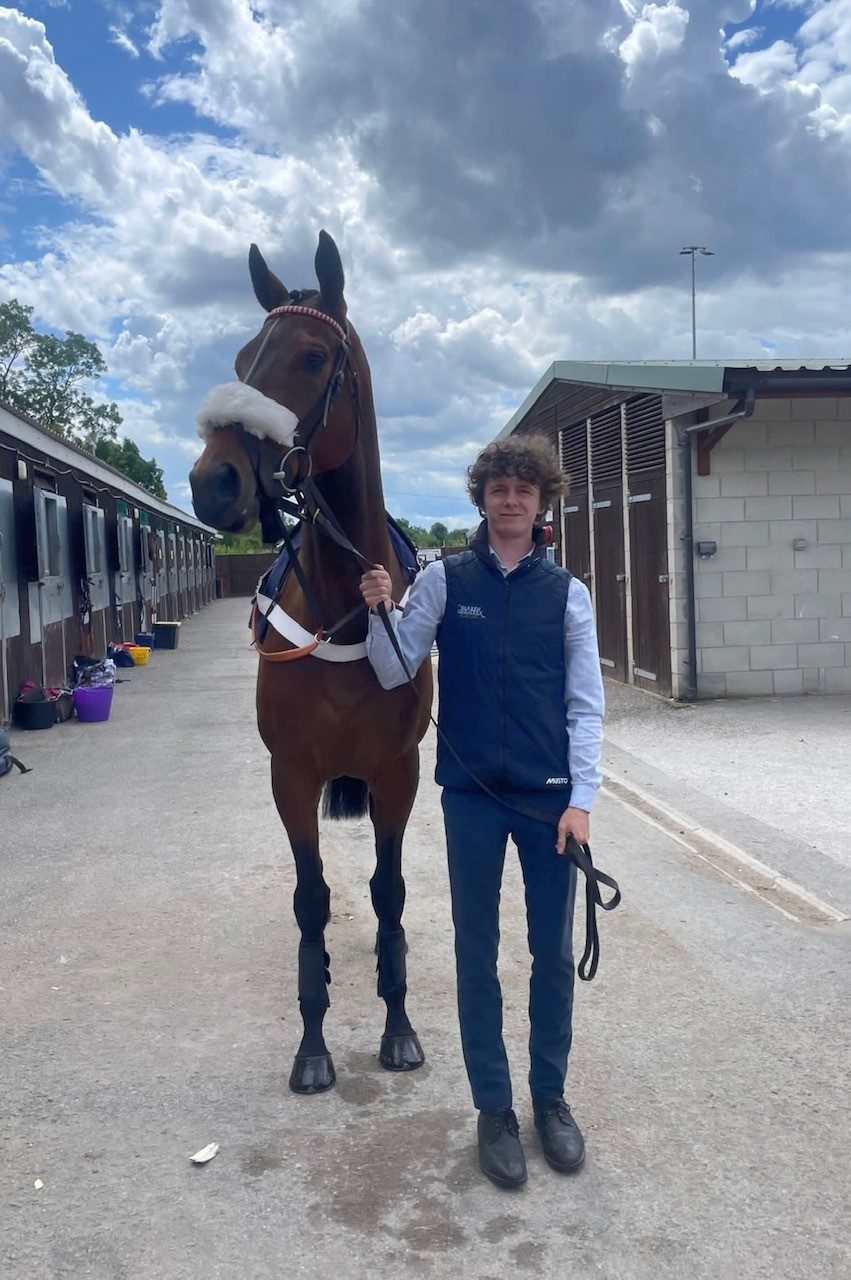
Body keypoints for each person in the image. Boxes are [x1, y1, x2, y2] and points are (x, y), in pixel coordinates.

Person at [359, 435, 604, 1190]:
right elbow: (393, 665)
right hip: (469, 798)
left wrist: (581, 801)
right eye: (498, 487)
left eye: (522, 489)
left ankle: (549, 1098)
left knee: (552, 956)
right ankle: (493, 1109)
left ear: (541, 502)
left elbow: (584, 704)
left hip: (545, 802)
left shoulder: (567, 592)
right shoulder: (442, 581)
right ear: (482, 498)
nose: (509, 499)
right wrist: (378, 612)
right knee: (476, 955)